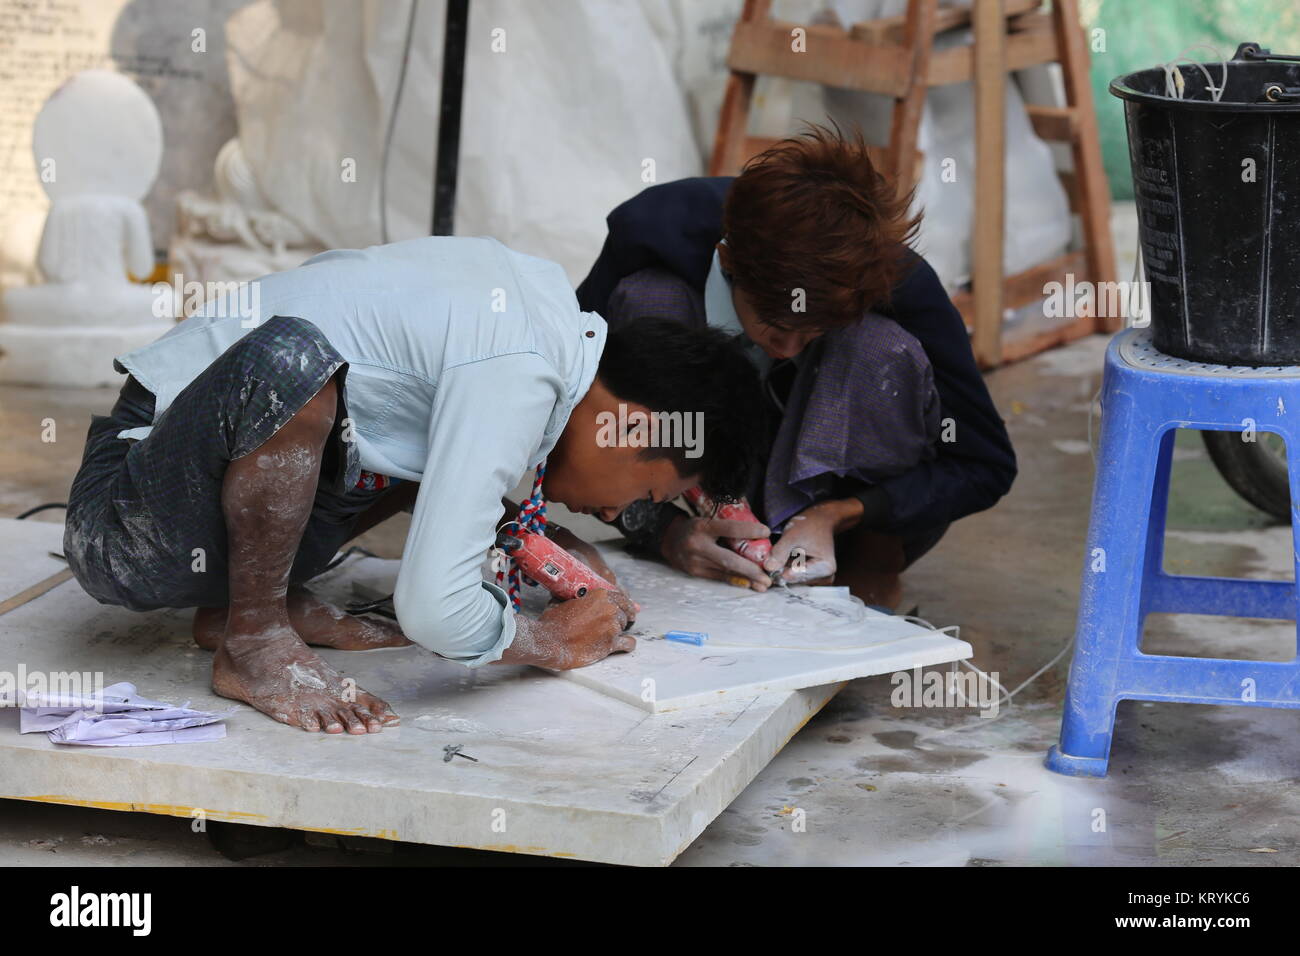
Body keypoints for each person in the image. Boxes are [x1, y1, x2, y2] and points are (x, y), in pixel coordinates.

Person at [63, 236, 766, 734]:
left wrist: (529, 539)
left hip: (207, 514)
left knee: (410, 431)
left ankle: (241, 605)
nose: (619, 511)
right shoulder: (521, 363)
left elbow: (452, 467)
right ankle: (254, 639)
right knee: (295, 359)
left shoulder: (542, 328)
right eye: (646, 496)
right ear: (634, 426)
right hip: (124, 523)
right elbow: (433, 610)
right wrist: (549, 641)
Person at [578, 124, 1017, 609]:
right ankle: (689, 518)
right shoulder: (652, 229)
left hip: (847, 505)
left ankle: (872, 558)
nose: (787, 349)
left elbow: (984, 465)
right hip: (699, 481)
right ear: (727, 261)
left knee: (878, 346)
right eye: (774, 326)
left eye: (811, 333)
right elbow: (563, 416)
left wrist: (840, 514)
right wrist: (663, 531)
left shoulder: (899, 282)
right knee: (649, 301)